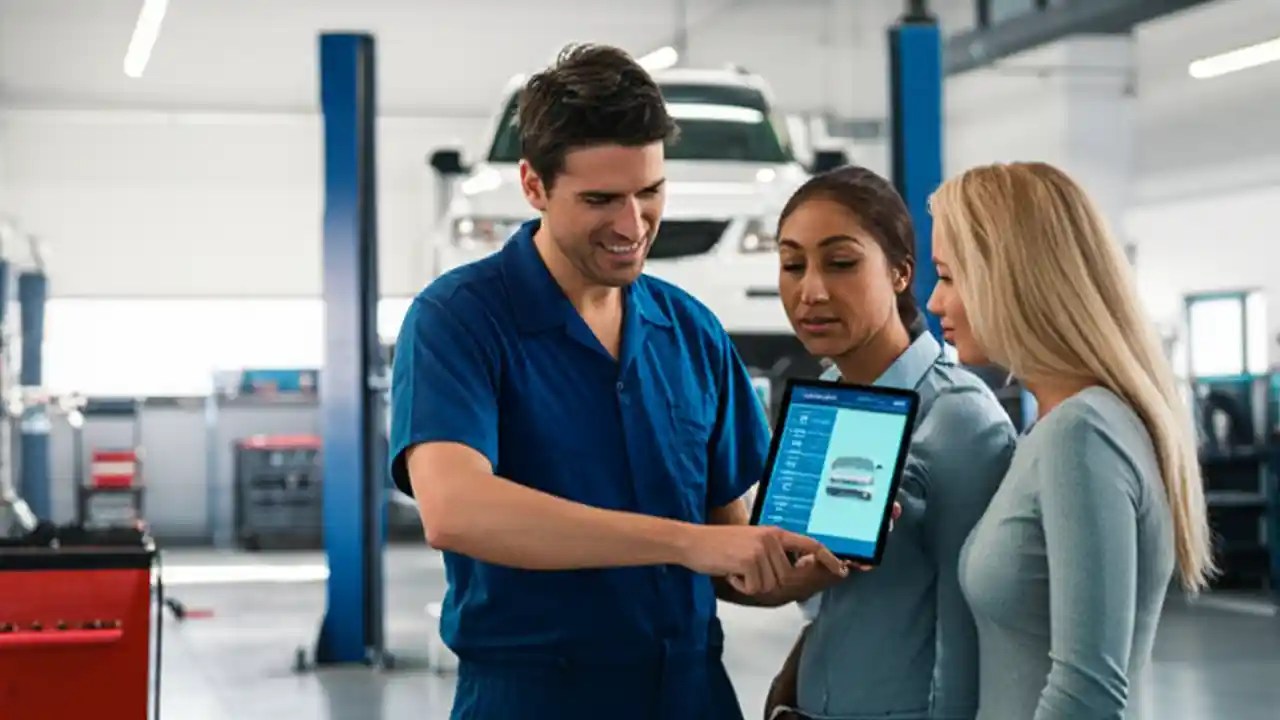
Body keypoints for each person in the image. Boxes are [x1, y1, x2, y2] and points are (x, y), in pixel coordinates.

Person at [388, 44, 846, 720]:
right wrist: (687, 543)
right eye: (599, 200)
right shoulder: (458, 320)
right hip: (535, 699)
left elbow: (728, 555)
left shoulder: (691, 332)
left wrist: (798, 566)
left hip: (691, 692)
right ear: (534, 186)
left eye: (649, 192)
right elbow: (456, 510)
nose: (633, 226)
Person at [928, 161, 1216, 719]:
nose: (936, 302)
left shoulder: (1081, 434)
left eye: (949, 277)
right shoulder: (1062, 428)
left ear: (1010, 277)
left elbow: (1086, 694)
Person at [757, 166, 1018, 720]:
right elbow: (832, 596)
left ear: (901, 273)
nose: (811, 292)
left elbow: (972, 630)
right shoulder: (824, 404)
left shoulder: (960, 421)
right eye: (793, 265)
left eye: (841, 263)